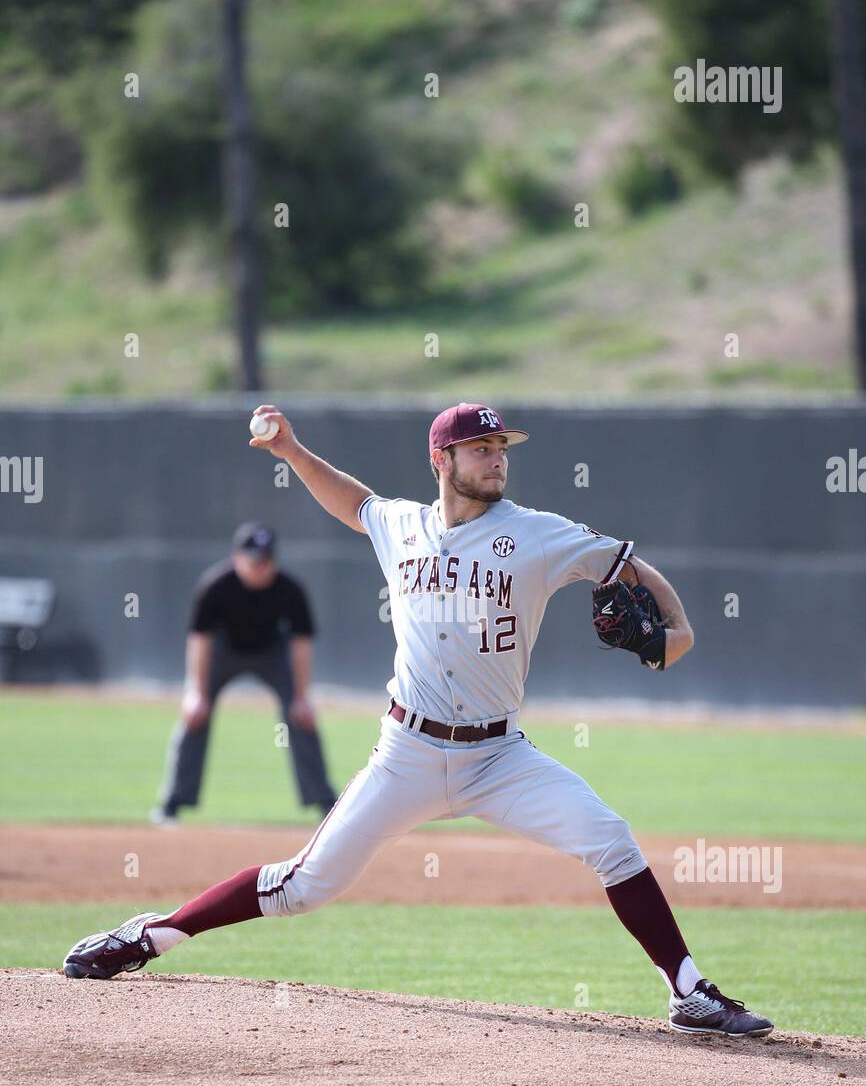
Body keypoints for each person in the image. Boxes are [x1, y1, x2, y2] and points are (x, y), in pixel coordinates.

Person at [65, 403, 773, 1039]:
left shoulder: (537, 534)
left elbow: (625, 563)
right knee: (300, 887)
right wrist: (292, 452)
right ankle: (151, 936)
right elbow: (355, 503)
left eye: (501, 446)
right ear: (442, 461)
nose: (497, 457)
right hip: (406, 753)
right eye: (481, 447)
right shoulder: (401, 524)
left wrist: (675, 631)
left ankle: (689, 994)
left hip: (500, 759)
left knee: (612, 841)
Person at [151, 522, 337, 824]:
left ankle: (324, 802)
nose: (260, 568)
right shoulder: (216, 586)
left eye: (266, 561)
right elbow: (200, 640)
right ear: (237, 557)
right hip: (223, 652)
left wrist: (302, 696)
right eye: (254, 561)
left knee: (302, 716)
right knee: (195, 715)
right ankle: (172, 803)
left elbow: (301, 644)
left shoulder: (290, 590)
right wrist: (196, 694)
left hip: (272, 653)